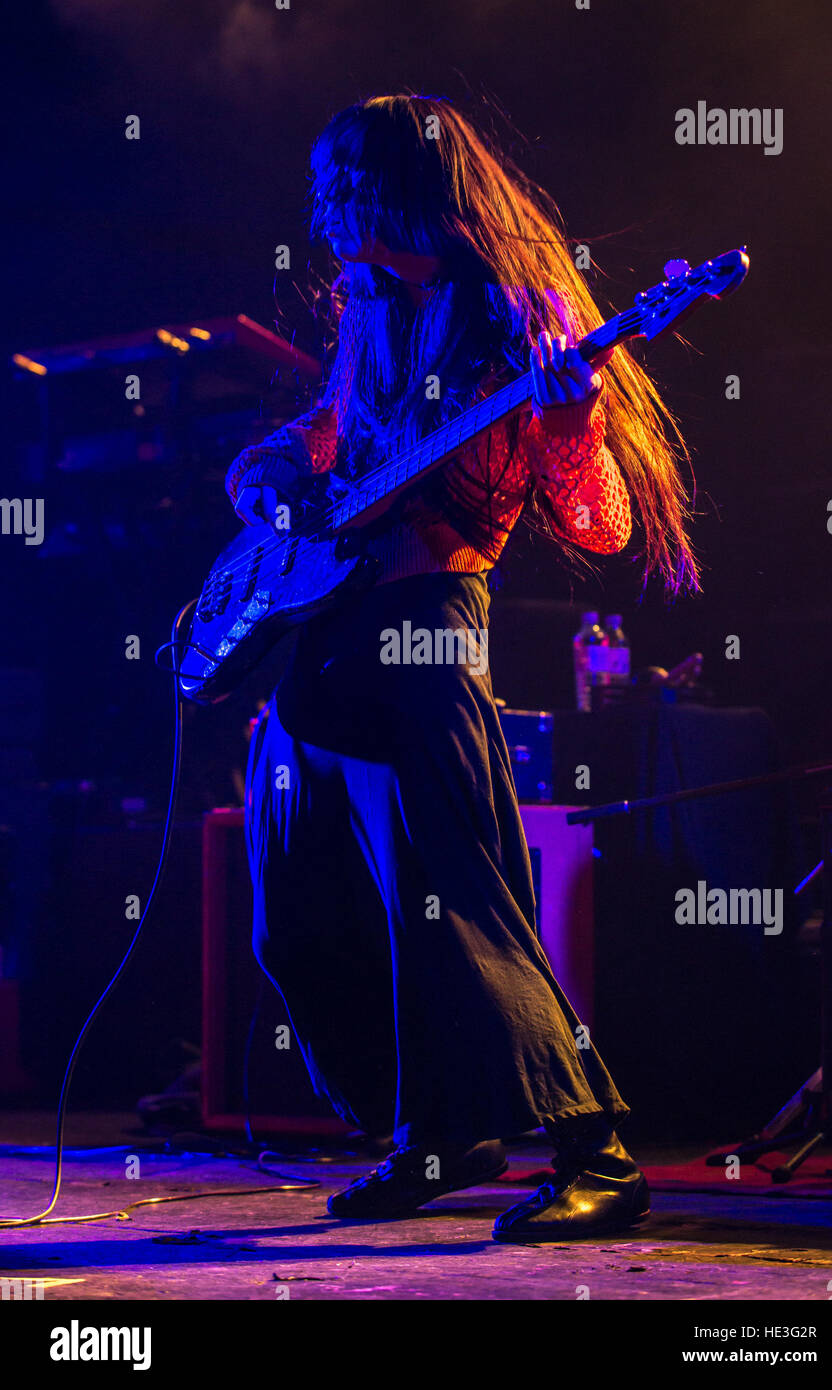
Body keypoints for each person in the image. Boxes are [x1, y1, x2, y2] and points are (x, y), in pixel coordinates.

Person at [224, 94, 698, 1242]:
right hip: (318, 642)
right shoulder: (369, 303)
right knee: (295, 923)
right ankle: (435, 1133)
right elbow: (333, 435)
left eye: (351, 189)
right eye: (323, 191)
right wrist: (270, 466)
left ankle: (598, 1151)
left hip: (427, 634)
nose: (329, 213)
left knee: (465, 915)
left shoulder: (519, 314)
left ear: (416, 191)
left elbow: (597, 527)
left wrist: (575, 418)